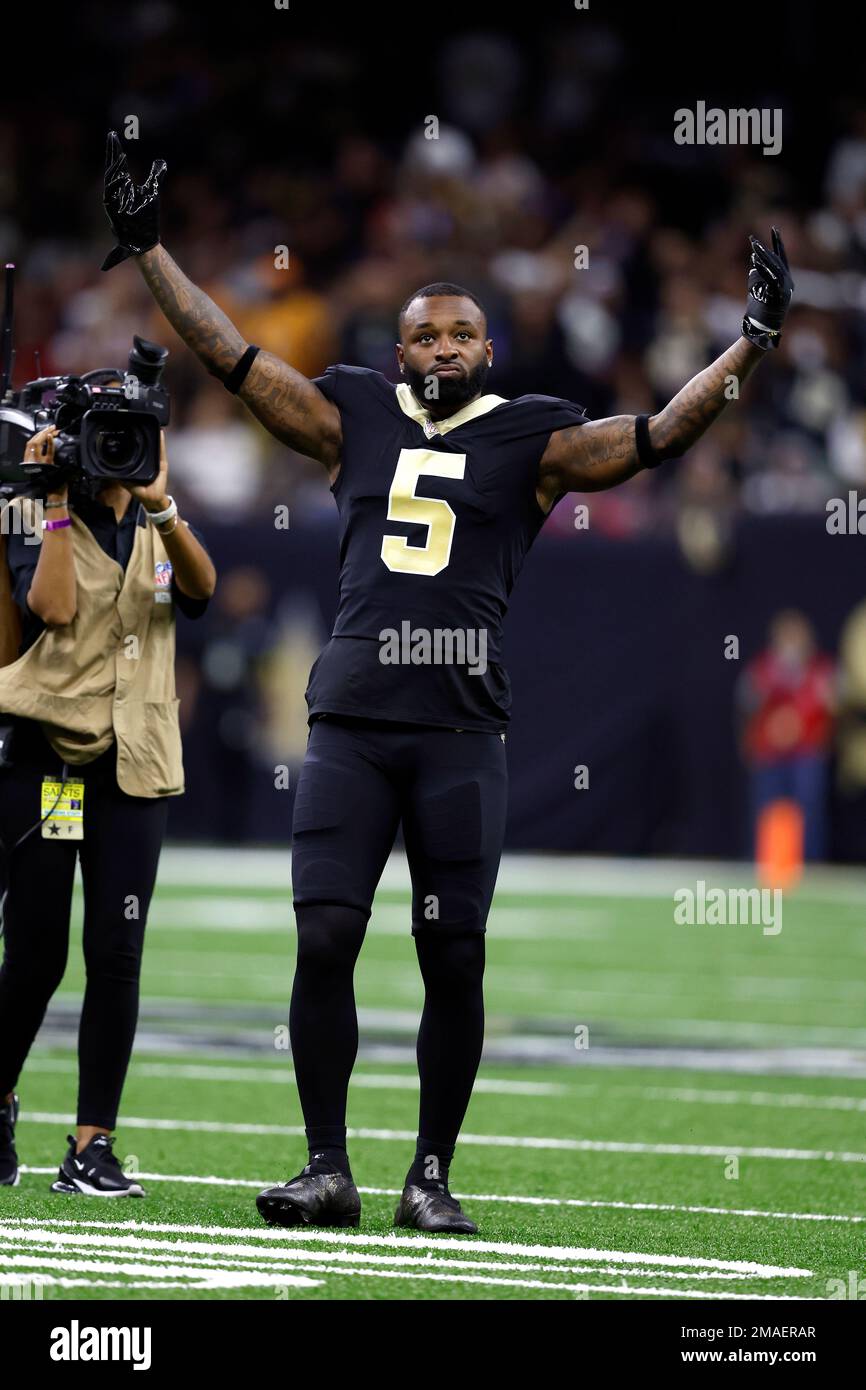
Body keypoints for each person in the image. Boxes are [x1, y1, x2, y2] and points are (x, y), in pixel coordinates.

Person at [100, 130, 795, 1233]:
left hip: (459, 730)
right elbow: (232, 356)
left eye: (460, 332)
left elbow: (658, 434)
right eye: (423, 333)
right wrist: (148, 251)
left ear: (488, 345)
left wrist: (747, 345)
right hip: (351, 721)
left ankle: (431, 1172)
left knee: (450, 950)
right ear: (398, 348)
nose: (440, 347)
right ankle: (327, 1166)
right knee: (323, 934)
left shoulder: (531, 437)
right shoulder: (353, 414)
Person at [0, 423, 215, 1194]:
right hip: (53, 760)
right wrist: (55, 500)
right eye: (107, 438)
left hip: (135, 764)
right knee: (36, 956)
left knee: (117, 955)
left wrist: (162, 507)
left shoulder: (158, 519)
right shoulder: (31, 512)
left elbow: (202, 589)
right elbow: (50, 609)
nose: (118, 453)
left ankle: (92, 1145)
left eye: (133, 437)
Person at [737, 610, 836, 861]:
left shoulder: (820, 671)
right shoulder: (762, 670)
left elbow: (833, 706)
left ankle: (810, 861)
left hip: (806, 752)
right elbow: (746, 705)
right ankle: (764, 860)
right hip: (770, 752)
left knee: (809, 809)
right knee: (767, 809)